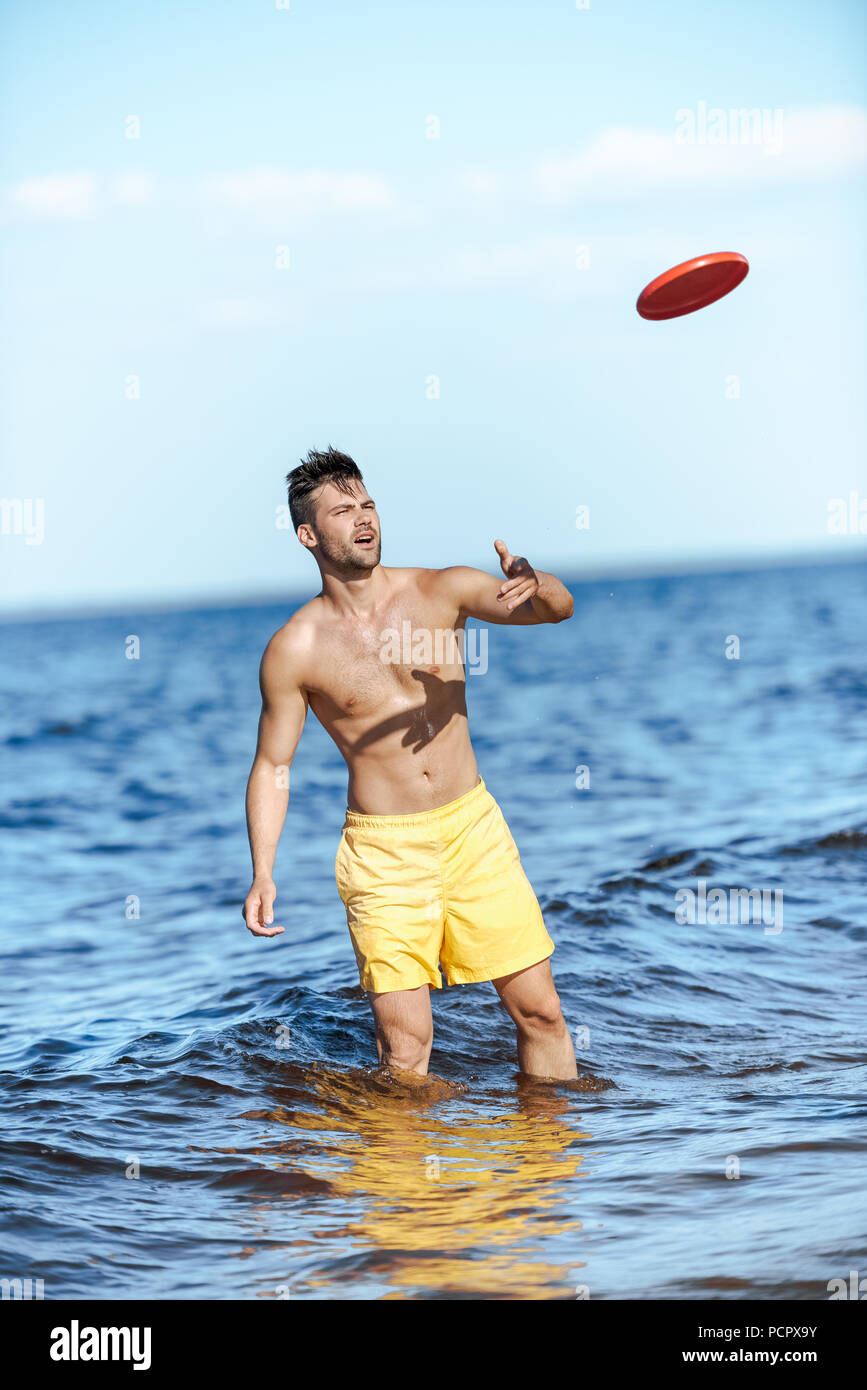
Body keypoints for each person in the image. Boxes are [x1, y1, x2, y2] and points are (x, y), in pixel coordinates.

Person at [243, 446, 578, 1082]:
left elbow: (555, 611)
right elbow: (272, 766)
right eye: (343, 511)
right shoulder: (295, 649)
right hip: (384, 854)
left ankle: (548, 1167)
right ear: (308, 535)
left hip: (473, 831)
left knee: (541, 1013)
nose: (364, 518)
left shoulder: (440, 589)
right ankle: (407, 1180)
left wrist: (540, 581)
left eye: (368, 504)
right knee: (405, 1050)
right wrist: (263, 871)